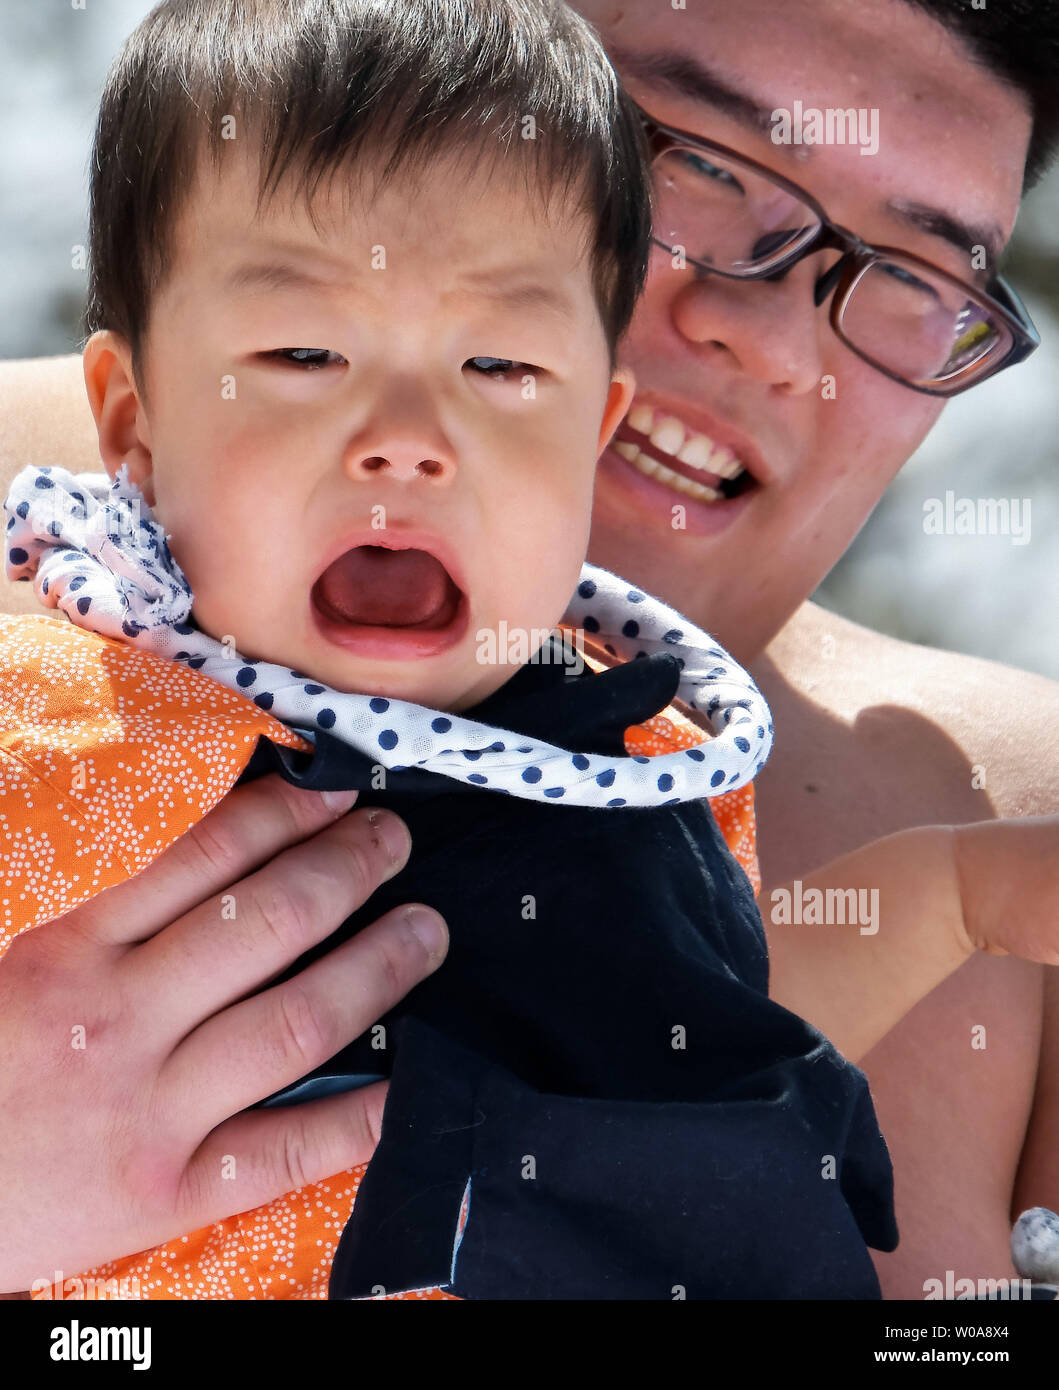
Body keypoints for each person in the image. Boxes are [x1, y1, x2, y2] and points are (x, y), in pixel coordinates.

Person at [1, 0, 1057, 1300]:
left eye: (916, 278)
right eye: (705, 172)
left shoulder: (665, 776)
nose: (778, 343)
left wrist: (954, 900)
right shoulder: (57, 711)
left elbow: (694, 1044)